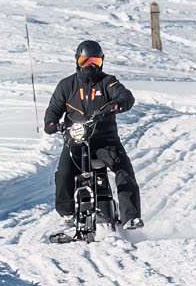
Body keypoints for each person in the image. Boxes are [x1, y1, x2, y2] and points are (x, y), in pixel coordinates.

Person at [44, 39, 142, 228]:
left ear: (101, 62)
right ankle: (67, 213)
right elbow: (53, 109)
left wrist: (117, 104)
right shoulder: (66, 85)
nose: (90, 66)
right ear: (77, 61)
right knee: (63, 172)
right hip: (76, 140)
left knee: (124, 170)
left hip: (106, 140)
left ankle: (131, 217)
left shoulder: (108, 82)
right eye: (86, 62)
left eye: (95, 62)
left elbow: (126, 96)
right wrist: (52, 124)